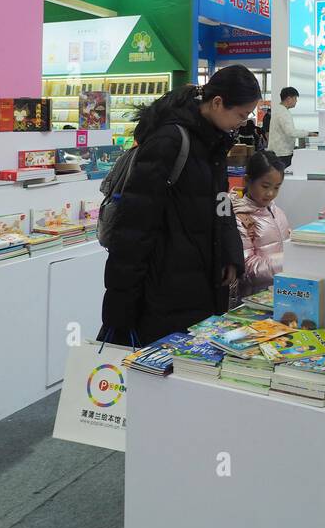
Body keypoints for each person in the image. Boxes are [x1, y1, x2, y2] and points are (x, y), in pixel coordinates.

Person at [99, 65, 261, 346]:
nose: (243, 122)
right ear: (218, 102)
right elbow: (134, 226)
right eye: (241, 114)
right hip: (164, 286)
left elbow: (221, 201)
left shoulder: (215, 142)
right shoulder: (169, 141)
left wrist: (231, 251)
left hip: (200, 280)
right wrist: (120, 303)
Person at [233, 151, 291, 295]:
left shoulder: (276, 211)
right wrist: (289, 262)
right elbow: (247, 269)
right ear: (247, 180)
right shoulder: (240, 218)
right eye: (265, 186)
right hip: (256, 296)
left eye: (276, 187)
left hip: (280, 289)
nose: (271, 193)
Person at [266, 86, 301, 167]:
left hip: (278, 152)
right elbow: (291, 132)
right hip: (282, 153)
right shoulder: (283, 113)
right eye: (295, 98)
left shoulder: (280, 110)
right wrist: (308, 133)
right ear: (289, 99)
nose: (296, 101)